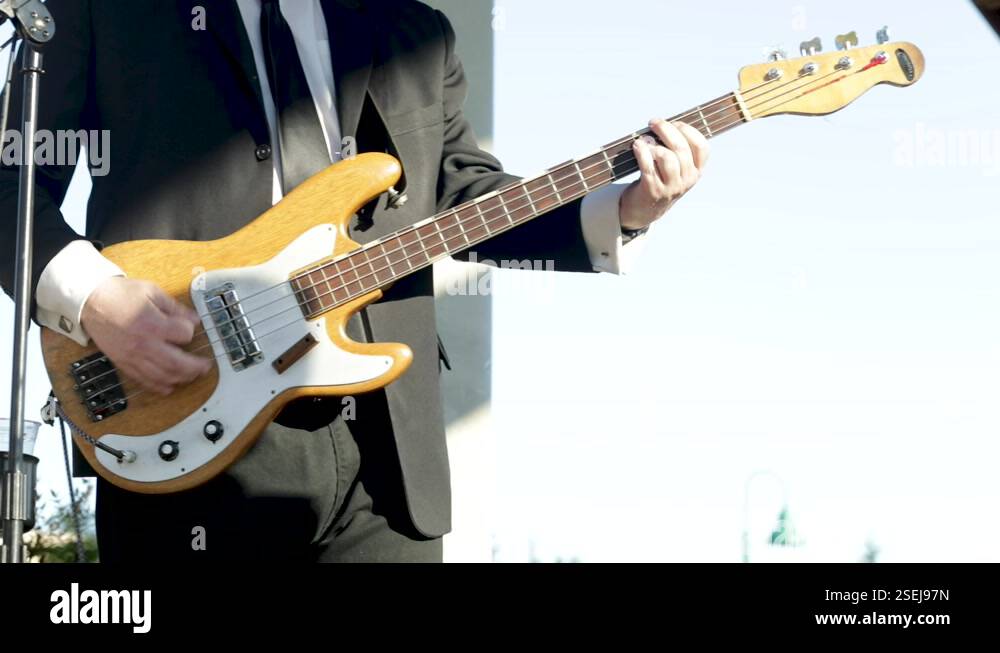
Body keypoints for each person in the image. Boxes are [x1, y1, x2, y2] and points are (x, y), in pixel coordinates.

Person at [0, 0, 708, 562]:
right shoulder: (104, 9)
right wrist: (94, 299)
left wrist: (622, 209)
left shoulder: (414, 32)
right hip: (185, 412)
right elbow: (10, 183)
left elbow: (467, 199)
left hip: (387, 455)